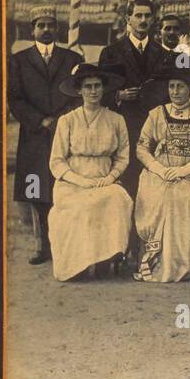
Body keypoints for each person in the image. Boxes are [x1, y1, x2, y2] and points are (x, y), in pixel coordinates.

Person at [8, 6, 83, 265]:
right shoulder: (18, 60)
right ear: (32, 30)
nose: (46, 29)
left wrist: (62, 121)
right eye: (41, 25)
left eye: (51, 25)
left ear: (58, 29)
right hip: (35, 135)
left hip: (65, 134)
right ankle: (42, 245)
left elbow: (78, 94)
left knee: (64, 186)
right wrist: (40, 120)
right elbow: (15, 99)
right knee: (36, 189)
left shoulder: (72, 59)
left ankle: (66, 242)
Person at [133, 57, 190, 283]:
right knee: (160, 198)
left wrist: (186, 168)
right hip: (158, 175)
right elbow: (142, 147)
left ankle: (185, 264)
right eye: (172, 86)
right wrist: (159, 169)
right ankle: (155, 263)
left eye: (181, 86)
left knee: (185, 200)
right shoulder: (156, 114)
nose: (176, 91)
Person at [47, 63, 134, 282]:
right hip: (73, 182)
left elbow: (123, 157)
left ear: (104, 89)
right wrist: (79, 180)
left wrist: (110, 178)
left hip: (104, 178)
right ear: (79, 90)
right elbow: (56, 161)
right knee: (78, 209)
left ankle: (106, 257)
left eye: (97, 86)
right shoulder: (67, 121)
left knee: (119, 198)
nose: (93, 91)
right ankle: (78, 263)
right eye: (88, 86)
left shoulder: (116, 120)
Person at [98, 0, 170, 195]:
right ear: (127, 19)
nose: (143, 20)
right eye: (138, 15)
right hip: (123, 126)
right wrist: (119, 95)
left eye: (147, 16)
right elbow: (99, 91)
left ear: (154, 19)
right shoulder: (111, 52)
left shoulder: (163, 54)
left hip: (153, 129)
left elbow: (168, 95)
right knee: (126, 181)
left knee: (152, 184)